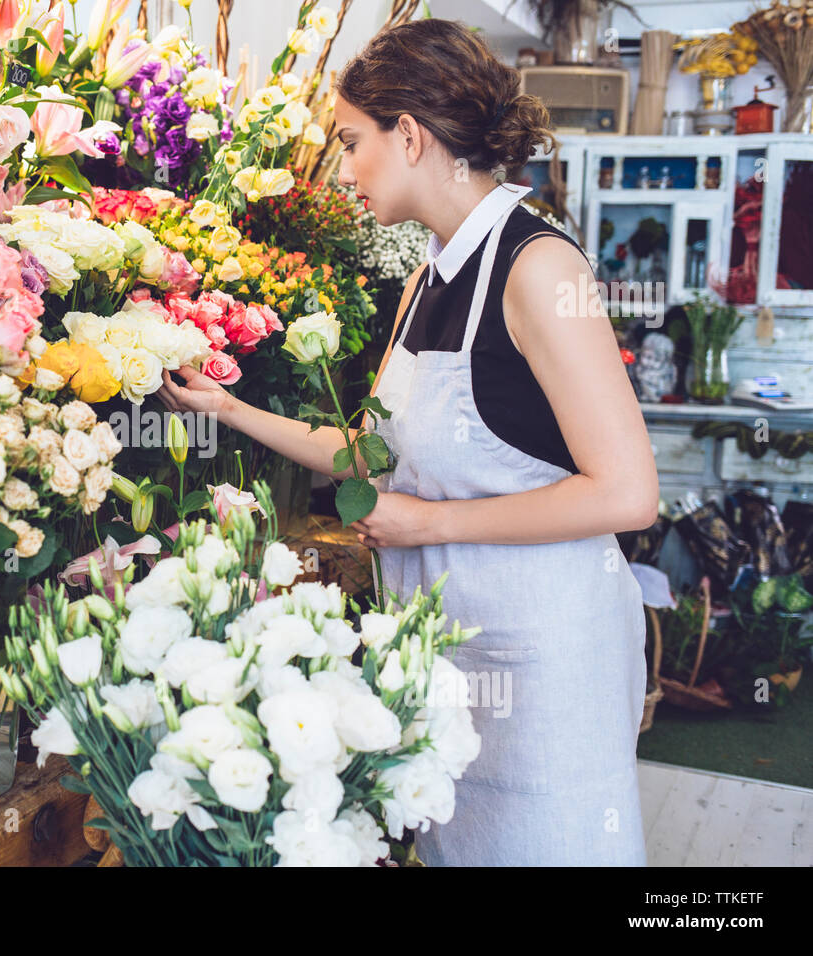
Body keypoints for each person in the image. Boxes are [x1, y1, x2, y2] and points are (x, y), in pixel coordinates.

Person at [156, 18, 659, 866]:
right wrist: (228, 409)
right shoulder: (429, 272)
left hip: (546, 663)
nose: (345, 169)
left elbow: (626, 493)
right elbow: (371, 456)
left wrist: (426, 525)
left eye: (353, 143)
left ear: (413, 135)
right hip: (447, 653)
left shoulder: (540, 269)